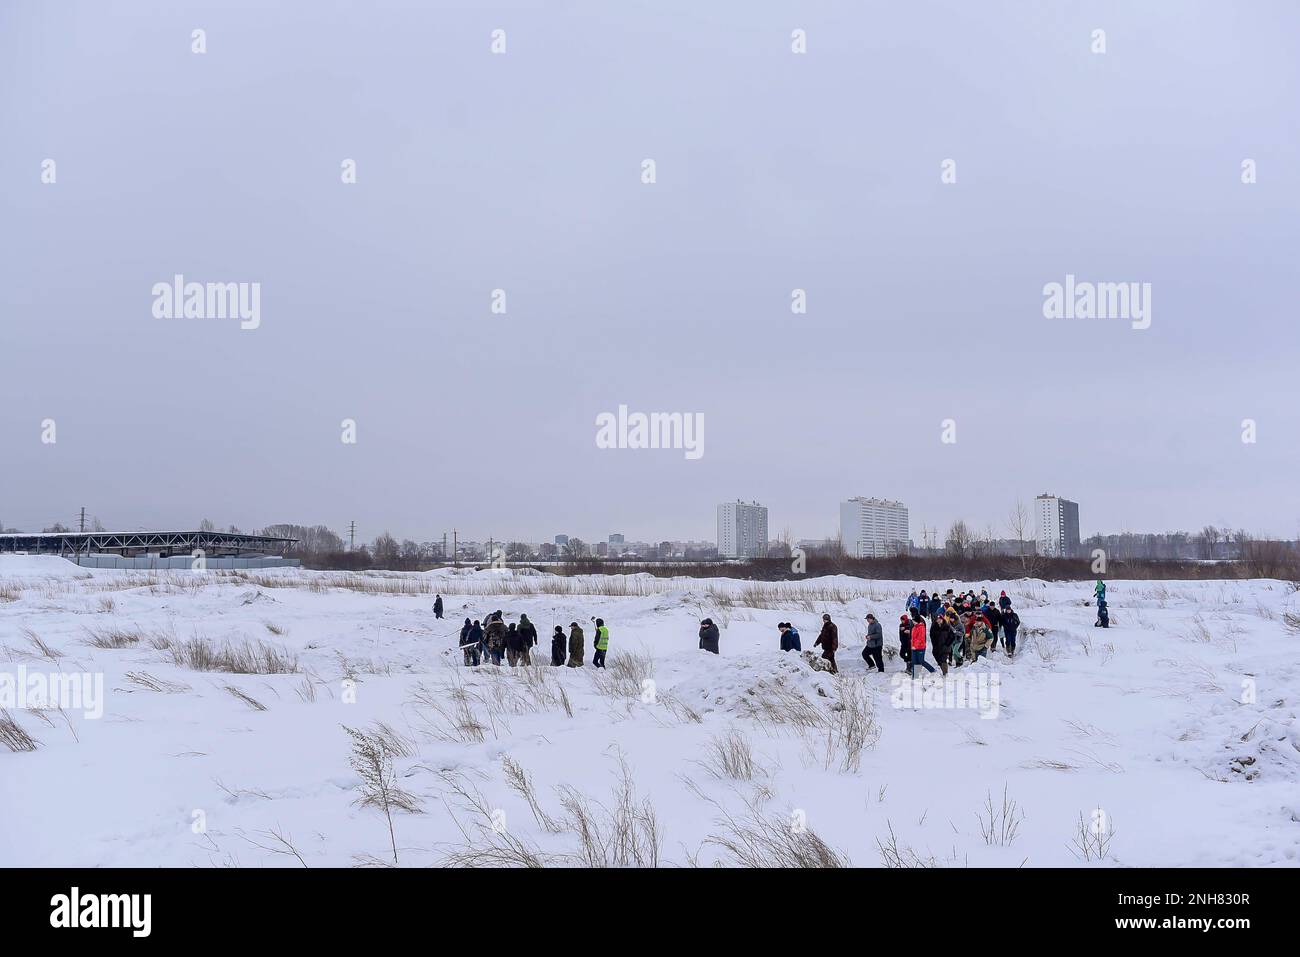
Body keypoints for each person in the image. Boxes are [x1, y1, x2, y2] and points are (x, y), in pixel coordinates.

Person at [909, 610, 936, 676]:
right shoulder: (914, 628)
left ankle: (932, 670)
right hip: (913, 647)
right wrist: (912, 644)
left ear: (917, 621)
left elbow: (920, 638)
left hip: (920, 647)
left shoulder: (921, 627)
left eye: (914, 621)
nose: (913, 622)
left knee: (921, 661)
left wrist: (915, 646)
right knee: (915, 662)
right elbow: (913, 637)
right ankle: (915, 675)